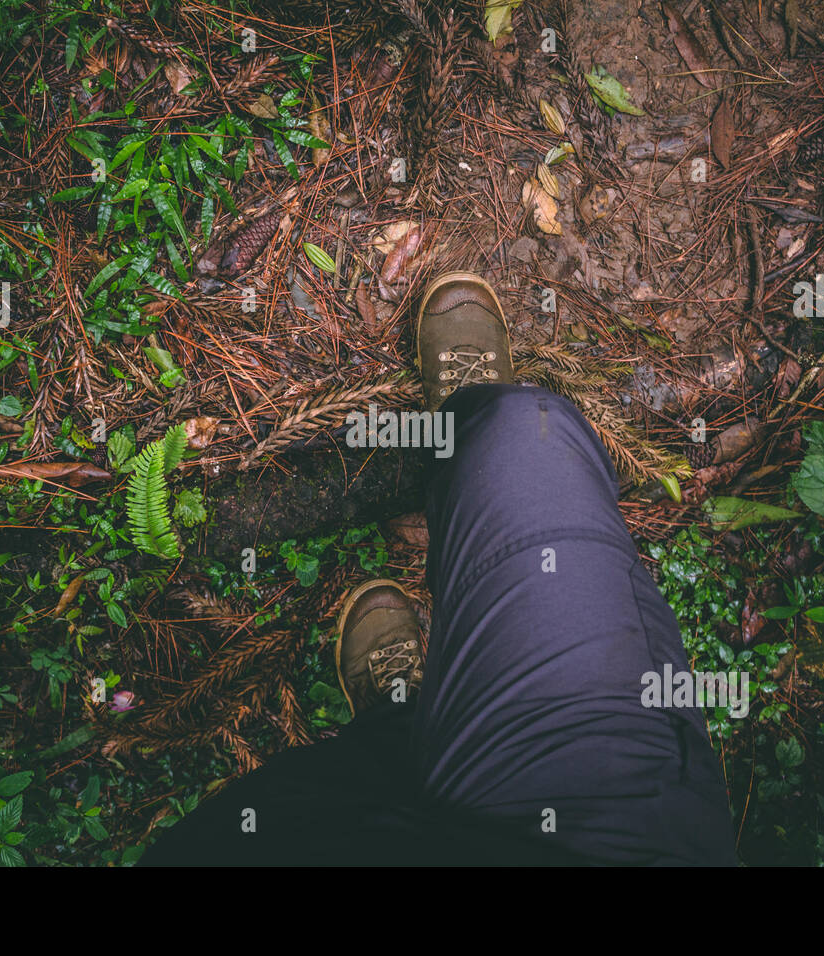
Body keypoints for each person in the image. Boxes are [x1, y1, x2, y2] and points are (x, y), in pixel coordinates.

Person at [142, 272, 736, 865]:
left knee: (353, 789)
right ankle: (468, 418)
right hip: (607, 829)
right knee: (526, 442)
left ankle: (398, 718)